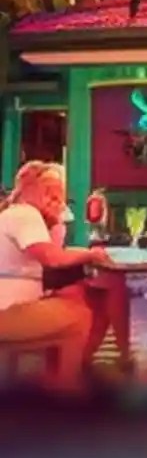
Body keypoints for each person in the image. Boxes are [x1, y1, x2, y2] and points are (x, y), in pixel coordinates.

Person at [0, 161, 112, 386]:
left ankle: (55, 374)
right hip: (7, 313)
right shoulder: (25, 214)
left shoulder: (14, 214)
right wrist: (90, 255)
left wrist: (55, 221)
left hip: (12, 305)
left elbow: (54, 251)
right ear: (29, 189)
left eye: (58, 193)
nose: (56, 200)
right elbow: (52, 258)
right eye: (49, 192)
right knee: (80, 315)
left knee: (75, 295)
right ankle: (64, 385)